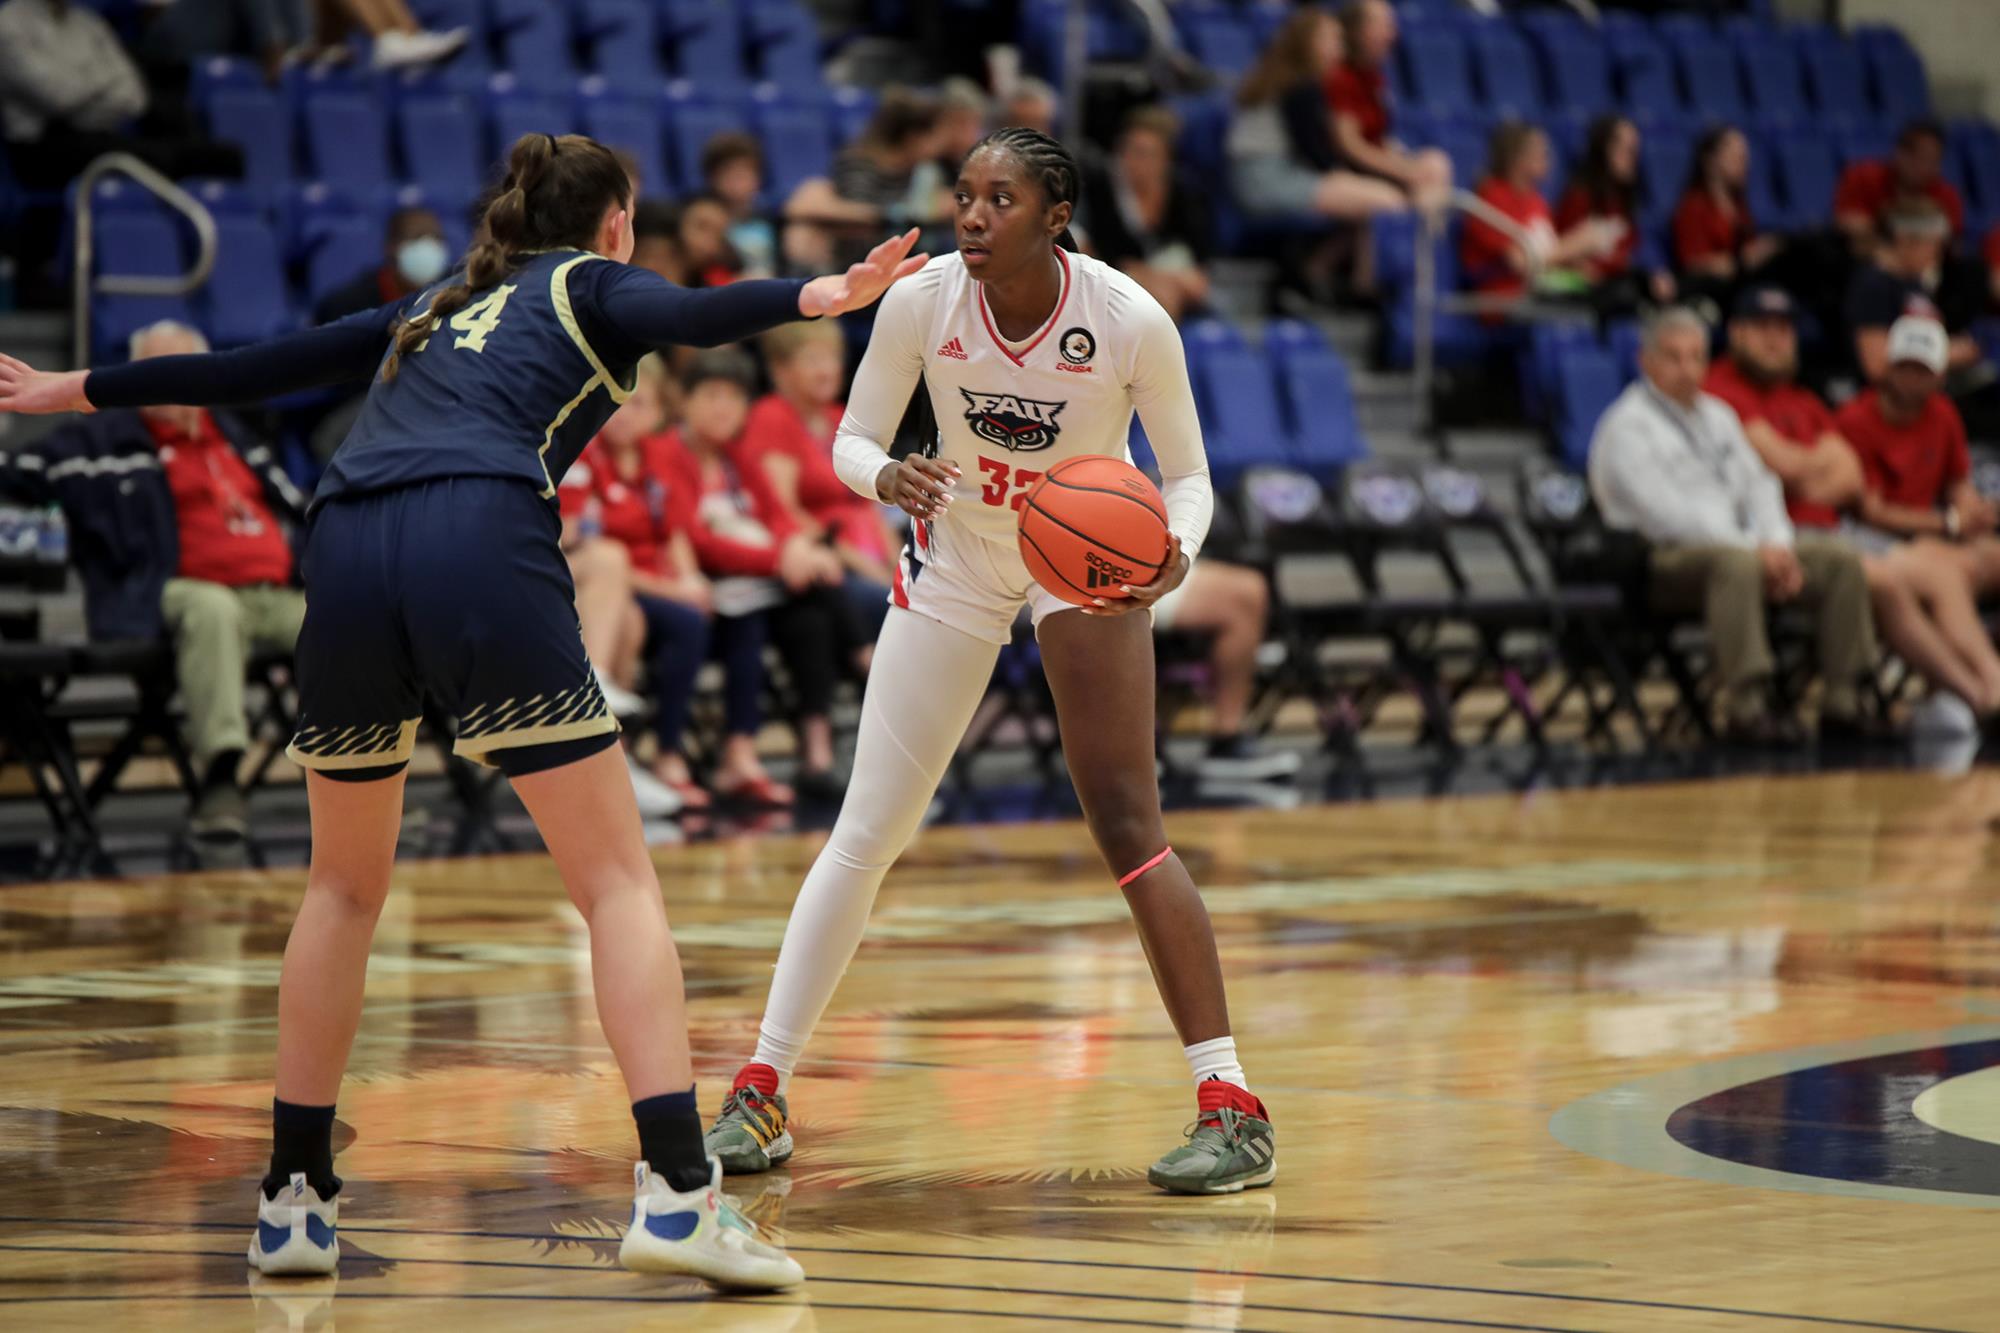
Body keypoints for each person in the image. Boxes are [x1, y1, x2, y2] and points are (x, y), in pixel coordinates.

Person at [0, 130, 925, 1289]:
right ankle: (680, 1199)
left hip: (345, 541)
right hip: (475, 531)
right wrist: (818, 294)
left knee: (340, 888)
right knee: (616, 883)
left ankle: (292, 1205)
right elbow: (695, 315)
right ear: (615, 225)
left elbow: (255, 367)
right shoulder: (590, 284)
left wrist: (74, 387)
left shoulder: (435, 301)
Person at [701, 127, 1274, 1198]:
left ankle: (1231, 1104)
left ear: (1055, 217)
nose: (971, 213)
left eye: (999, 199)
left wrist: (1176, 553)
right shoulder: (922, 299)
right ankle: (761, 1089)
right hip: (960, 552)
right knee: (867, 827)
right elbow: (852, 440)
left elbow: (1190, 477)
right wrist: (888, 479)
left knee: (1128, 824)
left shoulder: (1125, 317)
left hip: (1083, 562)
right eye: (963, 194)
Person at [0, 320, 308, 839]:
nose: (172, 381)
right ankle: (221, 777)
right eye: (157, 370)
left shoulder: (234, 437)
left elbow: (300, 509)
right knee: (213, 610)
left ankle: (361, 770)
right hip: (164, 593)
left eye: (184, 370)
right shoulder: (100, 441)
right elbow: (17, 471)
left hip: (270, 591)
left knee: (340, 619)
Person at [1588, 307, 1882, 748]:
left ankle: (1845, 700)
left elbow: (1761, 486)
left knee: (1839, 560)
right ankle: (1748, 708)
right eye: (1673, 357)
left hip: (1743, 548)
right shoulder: (1626, 427)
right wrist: (1752, 550)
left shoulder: (1719, 416)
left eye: (1696, 357)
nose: (1687, 369)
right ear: (1645, 362)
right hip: (1660, 560)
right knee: (1735, 565)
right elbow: (1665, 516)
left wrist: (1778, 545)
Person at [1706, 291, 2000, 731]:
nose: (1775, 340)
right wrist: (1814, 466)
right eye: (1763, 328)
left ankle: (1965, 692)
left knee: (1964, 562)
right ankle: (1981, 692)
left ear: (1941, 374)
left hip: (1838, 531)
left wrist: (1805, 471)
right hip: (1787, 533)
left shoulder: (1801, 397)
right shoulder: (1723, 393)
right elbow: (1790, 473)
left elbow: (1846, 478)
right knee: (1920, 574)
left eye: (1783, 329)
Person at [664, 348, 865, 804]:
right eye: (712, 396)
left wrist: (795, 547)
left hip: (752, 588)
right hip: (704, 589)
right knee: (767, 613)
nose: (724, 409)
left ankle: (812, 757)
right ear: (684, 402)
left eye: (735, 399)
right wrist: (779, 559)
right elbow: (696, 540)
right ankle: (867, 660)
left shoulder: (738, 458)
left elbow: (779, 516)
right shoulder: (668, 454)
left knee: (811, 619)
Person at [560, 359, 717, 812]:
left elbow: (674, 533)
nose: (625, 414)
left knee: (633, 622)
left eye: (639, 404)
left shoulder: (659, 456)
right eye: (619, 403)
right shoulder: (584, 450)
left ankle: (620, 759)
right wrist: (676, 590)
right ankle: (611, 707)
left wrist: (690, 579)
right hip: (586, 578)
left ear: (658, 412)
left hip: (629, 589)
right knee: (616, 565)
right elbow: (566, 536)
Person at [740, 320, 897, 635]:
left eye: (833, 357)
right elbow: (783, 509)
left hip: (870, 559)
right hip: (829, 563)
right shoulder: (773, 416)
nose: (827, 370)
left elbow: (869, 505)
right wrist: (865, 566)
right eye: (813, 360)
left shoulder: (839, 417)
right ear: (781, 370)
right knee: (901, 613)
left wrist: (899, 565)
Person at [1840, 316, 2000, 604]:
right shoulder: (1855, 418)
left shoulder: (1943, 412)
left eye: (1922, 369)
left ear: (1940, 376)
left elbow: (1957, 480)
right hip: (1873, 536)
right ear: (1889, 367)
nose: (1912, 378)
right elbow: (1871, 511)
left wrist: (1972, 511)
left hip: (1928, 529)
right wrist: (1949, 522)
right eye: (1905, 366)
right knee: (1948, 573)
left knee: (1989, 555)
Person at [0, 0, 243, 189]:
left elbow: (133, 93)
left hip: (100, 131)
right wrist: (103, 80)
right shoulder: (8, 24)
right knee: (156, 159)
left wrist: (79, 82)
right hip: (41, 147)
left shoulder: (87, 22)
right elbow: (58, 97)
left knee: (220, 157)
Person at [1229, 7, 1410, 223]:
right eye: (1332, 40)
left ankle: (1332, 249)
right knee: (1386, 200)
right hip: (1266, 180)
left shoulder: (1295, 79)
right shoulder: (1298, 85)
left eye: (1340, 40)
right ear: (1308, 43)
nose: (1340, 49)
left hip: (1275, 173)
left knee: (1372, 196)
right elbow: (1313, 152)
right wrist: (1346, 175)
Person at [1843, 201, 1998, 439]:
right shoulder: (1874, 285)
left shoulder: (1915, 283)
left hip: (1929, 397)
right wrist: (1947, 353)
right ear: (1906, 241)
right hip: (1889, 405)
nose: (1937, 255)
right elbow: (1875, 365)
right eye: (1932, 244)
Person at [1154, 560, 1299, 781]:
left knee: (1247, 592)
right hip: (1111, 572)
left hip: (1152, 562)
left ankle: (1227, 743)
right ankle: (1128, 749)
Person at [1458, 121, 1621, 306]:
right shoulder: (1492, 197)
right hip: (1504, 295)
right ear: (1516, 157)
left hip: (1541, 289)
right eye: (1540, 152)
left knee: (1617, 294)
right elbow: (1519, 263)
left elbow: (1549, 256)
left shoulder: (1537, 201)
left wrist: (1578, 263)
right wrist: (1574, 245)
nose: (1547, 158)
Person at [1079, 105, 1212, 325]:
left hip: (1173, 278)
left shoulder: (1185, 194)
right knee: (1162, 296)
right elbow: (1097, 253)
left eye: (1147, 154)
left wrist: (1174, 277)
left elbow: (1199, 260)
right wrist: (1147, 275)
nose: (1136, 161)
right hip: (1114, 279)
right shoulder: (1100, 191)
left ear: (1166, 159)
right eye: (1130, 151)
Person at [1324, 0, 1452, 209]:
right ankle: (1414, 226)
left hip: (1374, 166)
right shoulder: (1341, 78)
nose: (1391, 35)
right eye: (1383, 26)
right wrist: (1403, 170)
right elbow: (1350, 147)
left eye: (1391, 26)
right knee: (1394, 199)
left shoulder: (1375, 77)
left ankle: (1424, 228)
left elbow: (1379, 137)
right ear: (1358, 31)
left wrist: (1404, 162)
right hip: (1345, 170)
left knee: (1435, 163)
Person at [1555, 114, 1676, 310]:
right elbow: (1563, 250)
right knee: (1628, 293)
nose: (1633, 159)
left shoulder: (1623, 200)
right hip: (1589, 288)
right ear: (1604, 150)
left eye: (1635, 152)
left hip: (1617, 281)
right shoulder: (1580, 196)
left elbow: (1627, 249)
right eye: (1626, 151)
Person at [1672, 126, 1781, 313]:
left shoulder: (1739, 206)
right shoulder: (1694, 206)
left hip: (1743, 282)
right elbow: (1692, 264)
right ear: (1711, 160)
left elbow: (1749, 249)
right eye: (1736, 157)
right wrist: (1738, 262)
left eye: (1745, 158)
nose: (1744, 164)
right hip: (1714, 290)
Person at [1834, 118, 1965, 256]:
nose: (1927, 168)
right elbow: (1849, 221)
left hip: (1925, 260)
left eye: (1934, 161)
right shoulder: (1863, 176)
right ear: (1899, 154)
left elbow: (1951, 242)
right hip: (1869, 256)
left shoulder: (1947, 194)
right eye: (1921, 158)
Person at [313, 206, 451, 324]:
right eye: (416, 237)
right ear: (390, 246)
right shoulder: (347, 306)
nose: (429, 246)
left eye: (437, 238)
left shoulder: (453, 298)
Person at [699, 131, 779, 279]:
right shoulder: (706, 223)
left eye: (746, 172)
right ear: (713, 177)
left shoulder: (771, 220)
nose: (739, 180)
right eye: (730, 172)